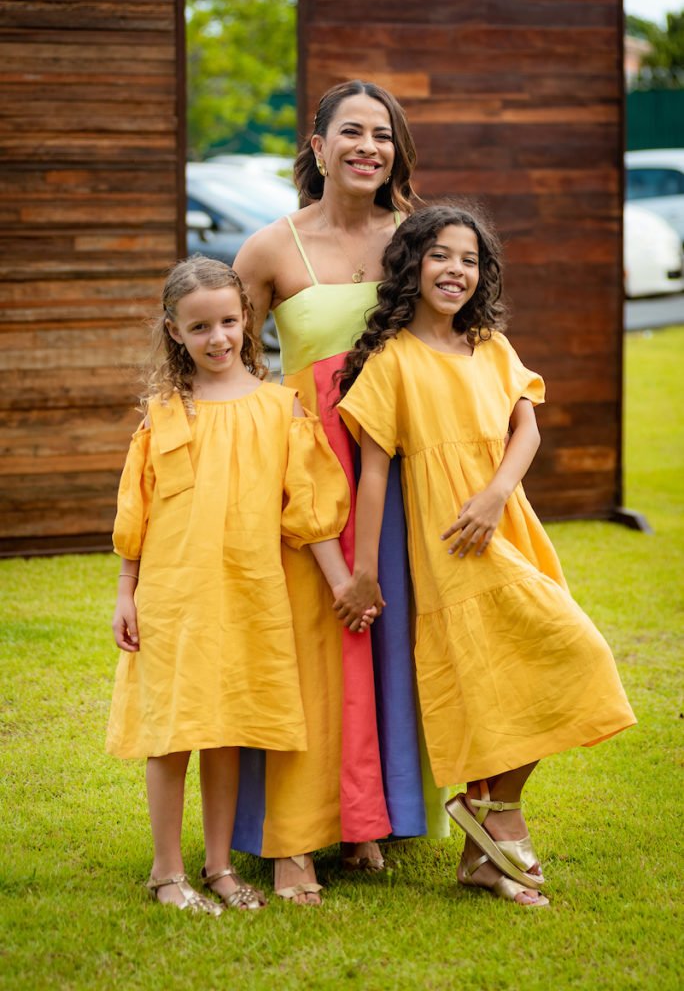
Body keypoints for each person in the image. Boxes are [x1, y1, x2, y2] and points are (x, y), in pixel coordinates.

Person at [335, 204, 636, 907]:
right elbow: (375, 471)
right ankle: (496, 826)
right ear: (412, 264)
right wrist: (366, 570)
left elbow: (523, 432)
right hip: (449, 547)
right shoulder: (390, 362)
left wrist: (498, 493)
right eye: (440, 255)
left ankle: (487, 832)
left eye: (469, 260)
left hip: (505, 526)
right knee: (494, 683)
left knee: (567, 652)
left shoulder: (491, 345)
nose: (456, 270)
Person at [232, 80, 449, 904]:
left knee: (388, 639)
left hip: (402, 468)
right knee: (310, 647)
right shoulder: (269, 249)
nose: (369, 146)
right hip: (308, 473)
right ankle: (289, 840)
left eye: (383, 134)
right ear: (316, 148)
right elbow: (231, 364)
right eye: (350, 132)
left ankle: (369, 817)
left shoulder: (416, 240)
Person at [107, 255, 371, 913]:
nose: (218, 338)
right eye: (200, 327)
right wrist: (125, 591)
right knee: (173, 733)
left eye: (227, 321)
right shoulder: (165, 415)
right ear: (175, 332)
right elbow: (135, 516)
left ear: (246, 319)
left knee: (225, 729)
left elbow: (308, 515)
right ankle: (167, 873)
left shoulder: (280, 410)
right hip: (174, 597)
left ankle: (220, 866)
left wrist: (344, 587)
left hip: (248, 594)